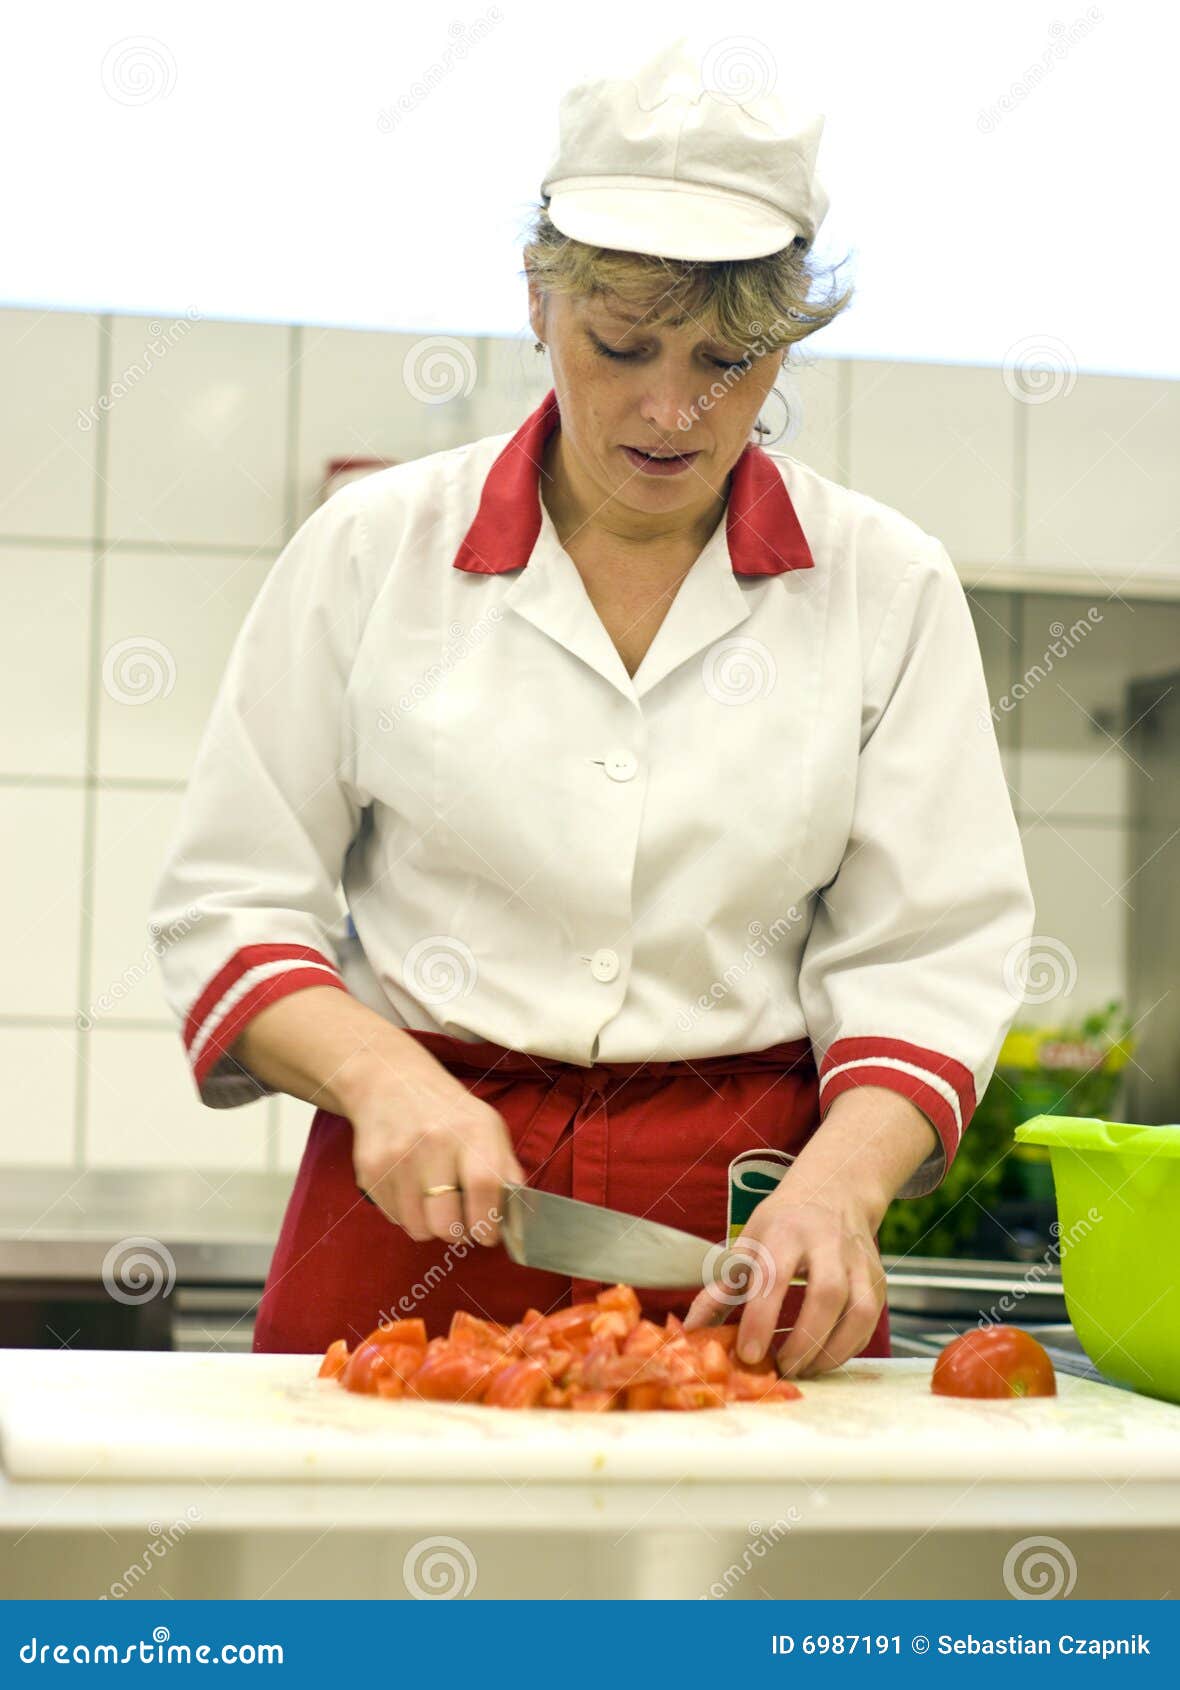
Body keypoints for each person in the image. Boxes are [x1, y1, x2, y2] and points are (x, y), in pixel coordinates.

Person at [148, 39, 1035, 1378]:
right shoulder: (373, 548)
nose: (674, 408)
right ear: (537, 303)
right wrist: (382, 1076)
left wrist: (844, 1182)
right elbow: (229, 902)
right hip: (413, 1203)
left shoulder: (885, 584)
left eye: (731, 360)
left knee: (742, 1588)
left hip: (746, 1232)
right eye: (622, 346)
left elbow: (933, 945)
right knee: (340, 1583)